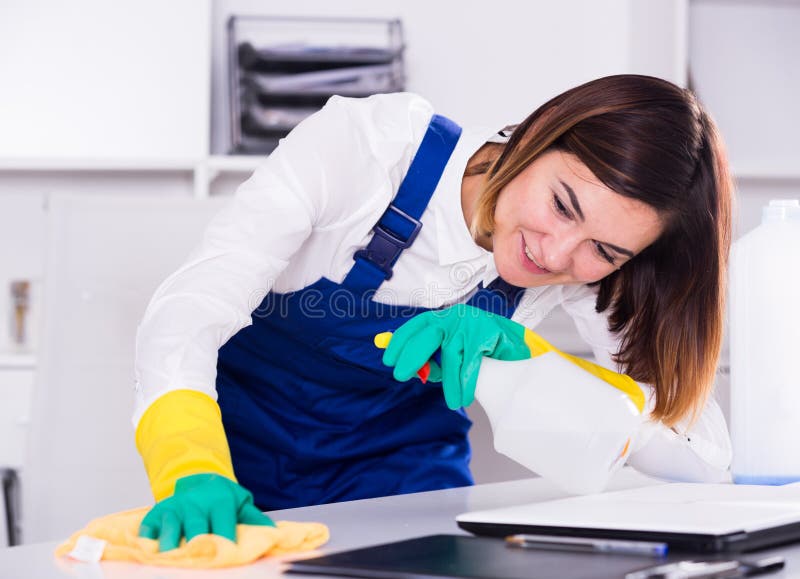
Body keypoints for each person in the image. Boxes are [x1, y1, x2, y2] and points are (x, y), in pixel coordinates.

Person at [132, 74, 734, 551]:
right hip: (233, 474)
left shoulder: (601, 271)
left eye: (603, 250)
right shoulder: (370, 150)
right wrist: (191, 464)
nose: (554, 253)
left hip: (407, 496)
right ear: (538, 133)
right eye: (561, 204)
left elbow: (702, 458)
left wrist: (540, 364)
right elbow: (192, 307)